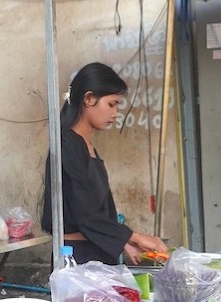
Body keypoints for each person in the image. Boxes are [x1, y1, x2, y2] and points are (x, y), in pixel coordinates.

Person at [41, 61, 167, 265]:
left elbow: (100, 208)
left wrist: (123, 242)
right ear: (89, 99)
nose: (115, 114)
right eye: (111, 104)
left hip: (97, 250)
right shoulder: (67, 145)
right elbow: (85, 214)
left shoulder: (88, 146)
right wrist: (134, 236)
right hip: (76, 257)